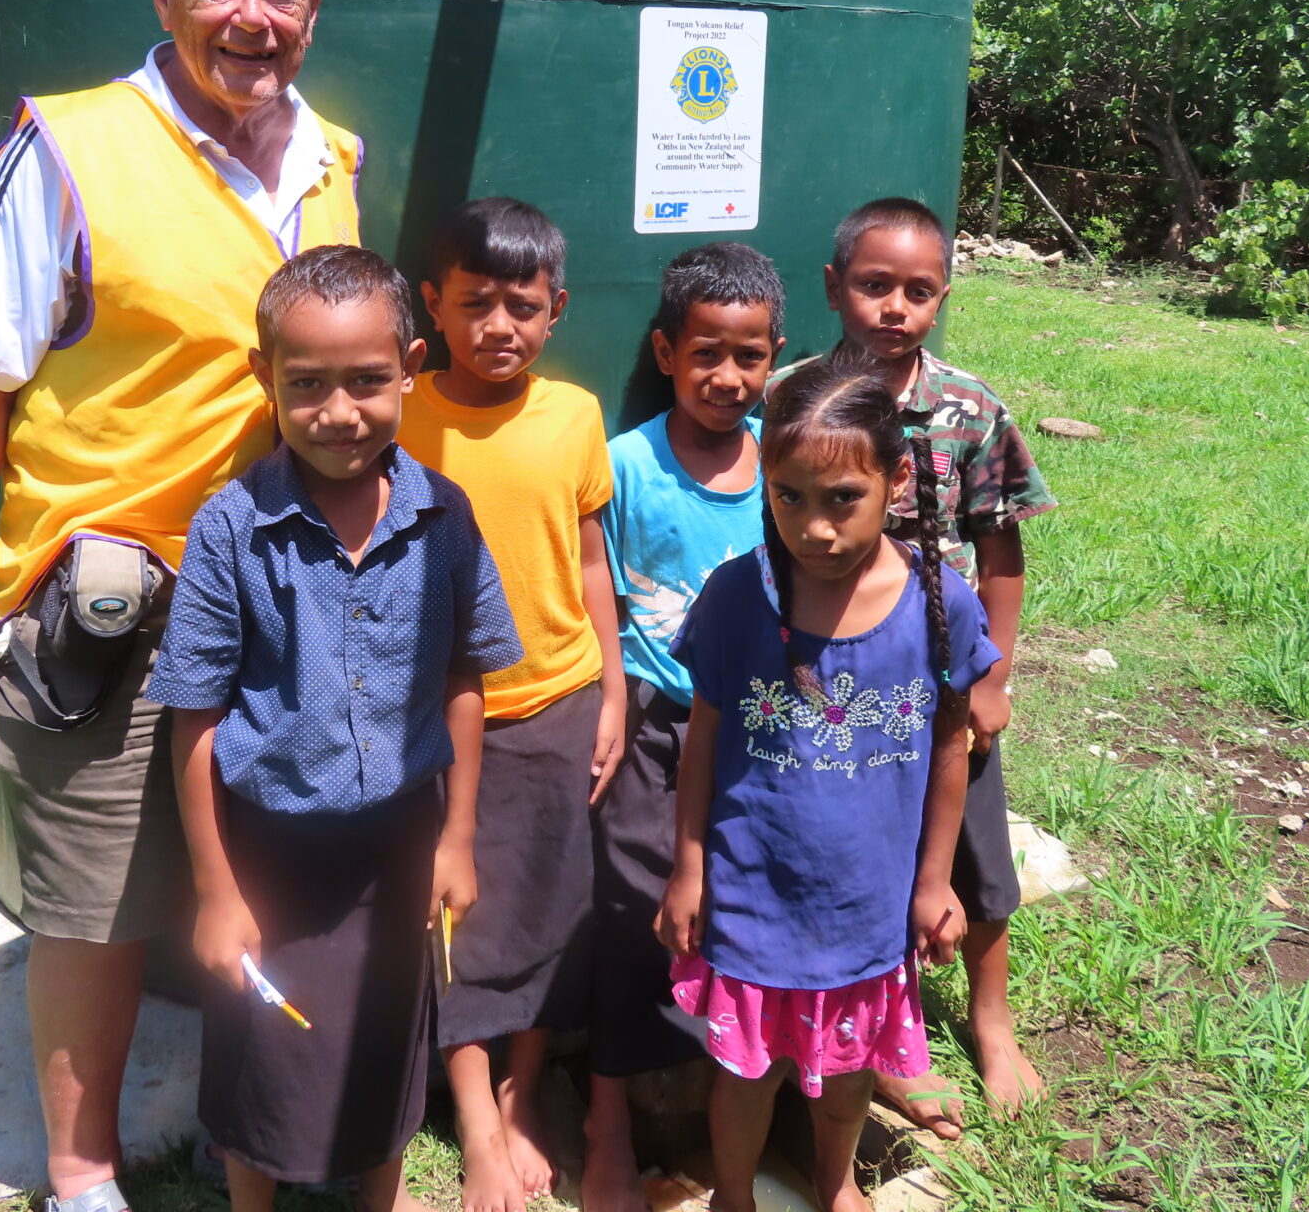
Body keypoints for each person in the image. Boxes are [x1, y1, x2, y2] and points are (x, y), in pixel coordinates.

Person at [0, 0, 361, 1212]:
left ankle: (252, 1127)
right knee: (93, 905)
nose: (252, 15)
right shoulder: (72, 146)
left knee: (268, 867)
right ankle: (86, 1177)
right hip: (114, 609)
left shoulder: (334, 162)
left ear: (315, 6)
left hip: (281, 600)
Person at [153, 246, 522, 1212]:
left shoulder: (447, 516)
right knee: (259, 1044)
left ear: (410, 364)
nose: (339, 412)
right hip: (268, 848)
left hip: (398, 842)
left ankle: (380, 1194)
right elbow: (193, 712)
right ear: (261, 377)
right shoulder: (230, 528)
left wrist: (458, 837)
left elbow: (464, 675)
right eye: (305, 385)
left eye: (366, 380)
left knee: (384, 1028)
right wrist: (213, 888)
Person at [656, 358, 996, 1212]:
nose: (814, 527)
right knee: (747, 1076)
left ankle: (836, 1184)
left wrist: (933, 884)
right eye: (789, 498)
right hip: (751, 897)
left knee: (847, 1078)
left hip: (867, 907)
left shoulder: (938, 603)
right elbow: (703, 739)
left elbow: (952, 745)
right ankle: (735, 1194)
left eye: (842, 496)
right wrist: (689, 868)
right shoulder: (739, 597)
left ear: (898, 479)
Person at [393, 198, 627, 1212]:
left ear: (556, 310)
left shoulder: (572, 416)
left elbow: (587, 564)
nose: (499, 327)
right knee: (453, 916)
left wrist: (612, 687)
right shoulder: (396, 411)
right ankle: (475, 1122)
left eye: (522, 307)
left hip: (555, 700)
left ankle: (526, 1090)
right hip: (435, 713)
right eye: (475, 304)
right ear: (431, 306)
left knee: (545, 903)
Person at [816, 198, 1057, 1132]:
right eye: (875, 286)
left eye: (918, 292)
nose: (894, 308)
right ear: (837, 287)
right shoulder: (801, 396)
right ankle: (885, 1024)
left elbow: (1000, 552)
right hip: (838, 672)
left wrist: (993, 678)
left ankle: (991, 1020)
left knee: (975, 849)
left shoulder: (970, 407)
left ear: (941, 298)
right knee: (868, 845)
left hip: (947, 673)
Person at [584, 243, 786, 1212]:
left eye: (748, 357)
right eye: (705, 353)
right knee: (631, 907)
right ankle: (609, 1117)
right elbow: (602, 601)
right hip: (654, 719)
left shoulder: (785, 472)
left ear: (775, 357)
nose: (726, 377)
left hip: (760, 734)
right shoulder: (626, 466)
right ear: (665, 352)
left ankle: (769, 1088)